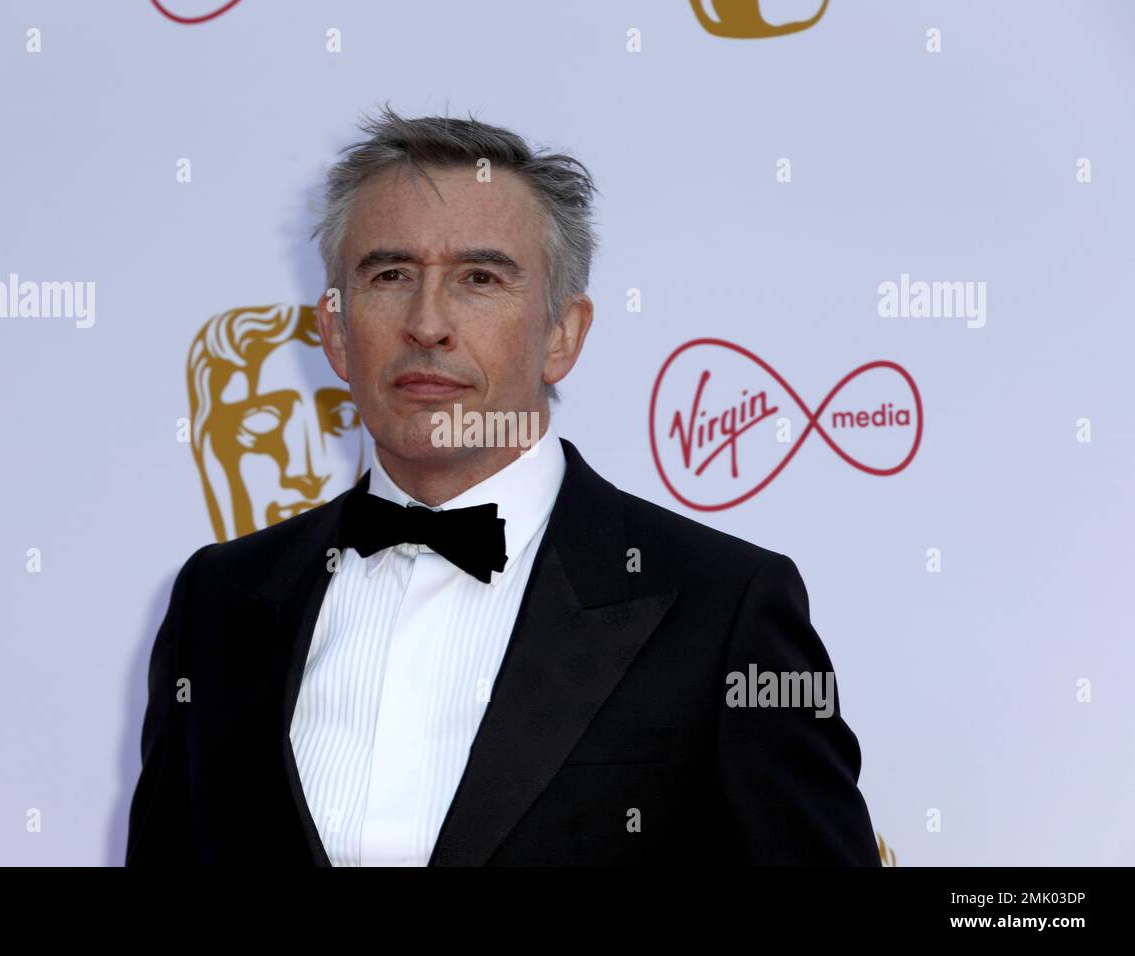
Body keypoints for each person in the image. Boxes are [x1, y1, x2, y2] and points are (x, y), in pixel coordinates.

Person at [125, 105, 879, 866]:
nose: (427, 323)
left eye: (479, 278)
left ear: (562, 334)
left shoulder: (725, 610)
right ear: (335, 331)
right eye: (390, 276)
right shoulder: (217, 602)